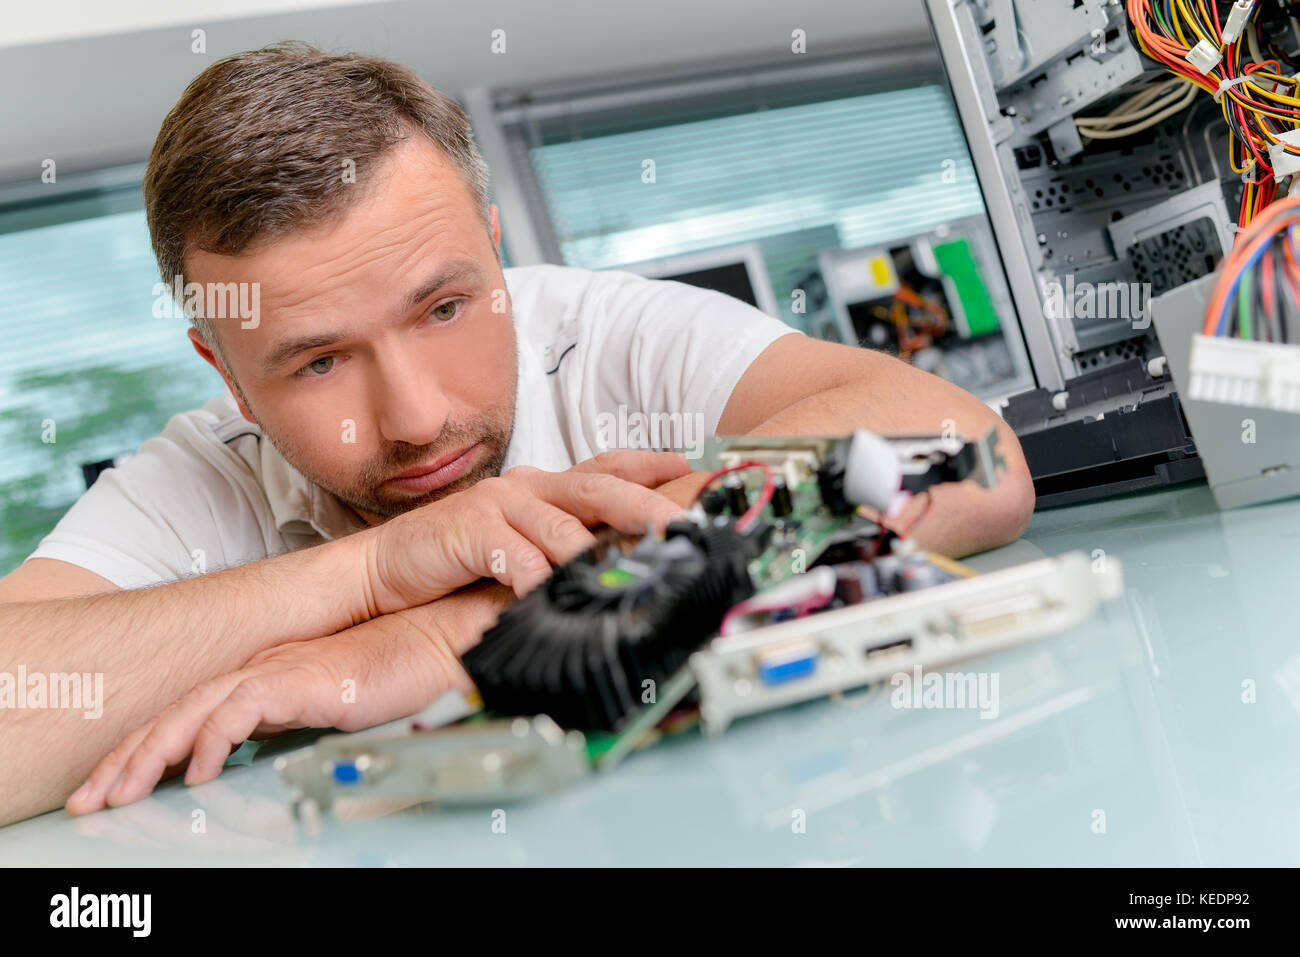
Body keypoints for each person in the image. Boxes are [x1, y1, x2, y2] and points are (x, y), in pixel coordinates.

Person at [0, 43, 1034, 826]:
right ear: (224, 371)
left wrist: (449, 629)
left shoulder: (604, 334)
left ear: (495, 256)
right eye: (318, 362)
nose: (417, 418)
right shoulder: (197, 476)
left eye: (444, 309)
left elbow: (963, 448)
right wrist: (373, 574)